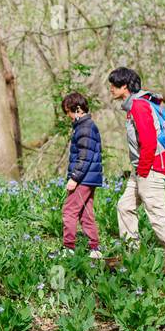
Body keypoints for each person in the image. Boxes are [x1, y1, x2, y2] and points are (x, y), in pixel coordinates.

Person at [108, 67, 165, 259]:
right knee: (125, 206)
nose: (110, 88)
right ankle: (132, 254)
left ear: (124, 86)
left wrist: (142, 171)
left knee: (156, 212)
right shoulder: (133, 106)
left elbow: (149, 141)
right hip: (142, 169)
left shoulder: (139, 106)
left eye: (113, 85)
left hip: (150, 168)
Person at [61, 92, 103, 258]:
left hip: (83, 178)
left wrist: (74, 178)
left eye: (68, 112)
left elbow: (85, 156)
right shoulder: (87, 126)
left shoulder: (84, 127)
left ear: (77, 109)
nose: (68, 116)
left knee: (69, 211)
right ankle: (94, 249)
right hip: (90, 178)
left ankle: (69, 248)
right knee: (85, 213)